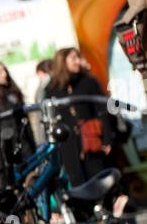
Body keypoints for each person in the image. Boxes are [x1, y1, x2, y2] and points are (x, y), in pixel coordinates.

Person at [44, 47, 114, 186]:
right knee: (76, 180)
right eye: (73, 58)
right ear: (63, 62)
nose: (78, 62)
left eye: (78, 58)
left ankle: (102, 206)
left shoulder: (88, 82)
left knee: (99, 177)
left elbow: (102, 111)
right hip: (68, 144)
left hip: (91, 138)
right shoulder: (52, 89)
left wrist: (107, 138)